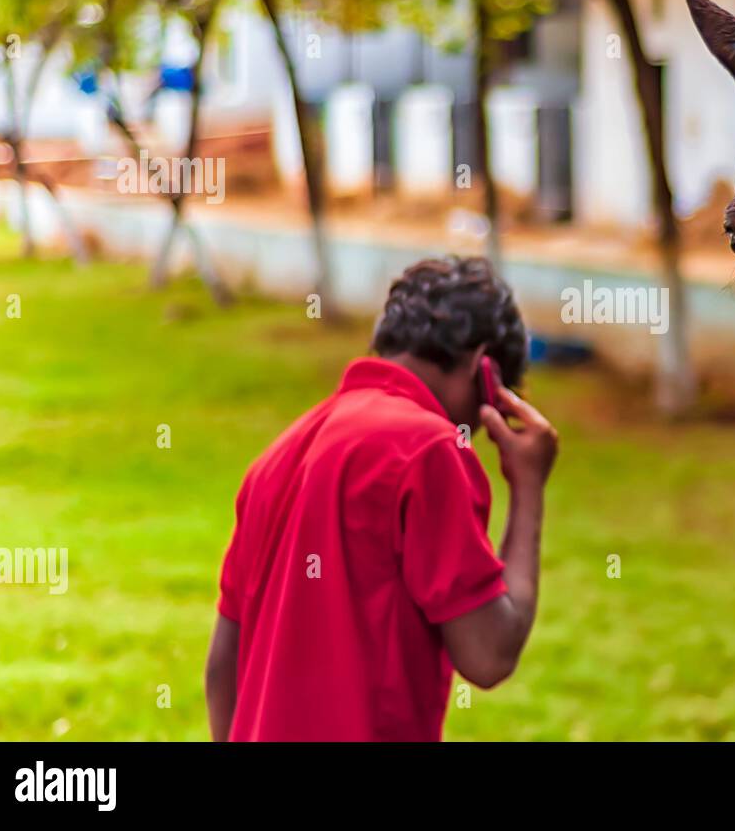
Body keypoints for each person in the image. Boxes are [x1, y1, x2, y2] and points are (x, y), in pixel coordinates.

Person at [204, 257, 558, 741]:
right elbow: (490, 654)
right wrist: (529, 487)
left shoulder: (279, 456)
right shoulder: (430, 450)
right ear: (484, 370)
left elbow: (221, 669)